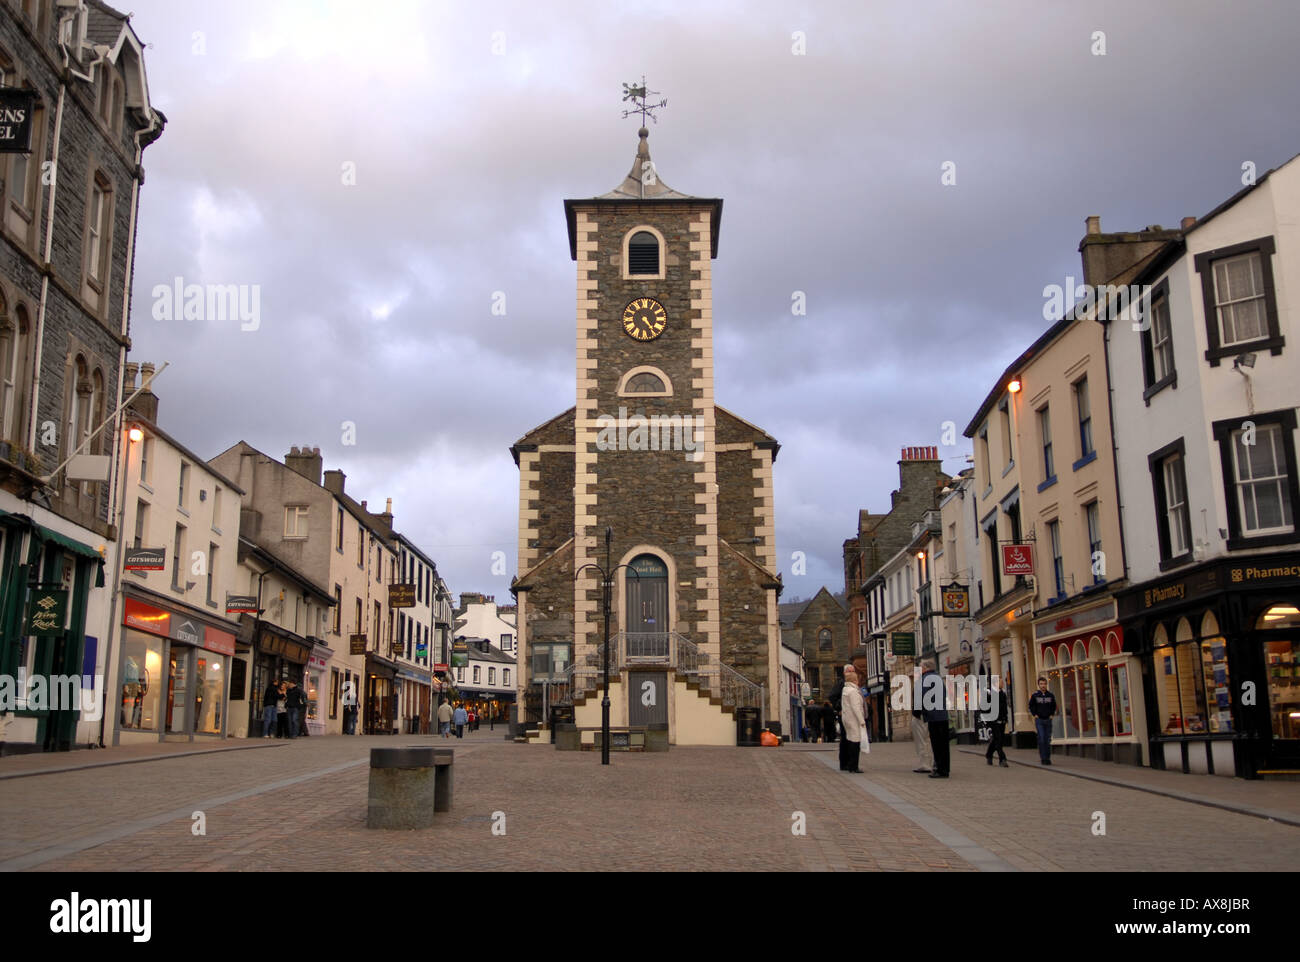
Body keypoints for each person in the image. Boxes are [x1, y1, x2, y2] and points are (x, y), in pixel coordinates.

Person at [921, 662, 950, 778]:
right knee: (944, 745)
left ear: (926, 668)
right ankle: (945, 769)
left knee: (936, 745)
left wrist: (924, 713)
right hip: (942, 715)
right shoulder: (938, 678)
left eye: (922, 667)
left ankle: (938, 769)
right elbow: (944, 694)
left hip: (933, 716)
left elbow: (922, 697)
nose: (921, 670)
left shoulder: (925, 679)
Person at [839, 666, 866, 773]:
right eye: (857, 679)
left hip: (846, 718)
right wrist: (861, 721)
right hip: (853, 719)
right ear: (854, 680)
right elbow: (856, 707)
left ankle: (850, 764)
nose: (858, 681)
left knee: (850, 740)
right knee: (855, 742)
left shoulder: (845, 690)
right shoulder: (853, 692)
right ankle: (854, 766)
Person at [1029, 676, 1058, 765]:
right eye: (1041, 684)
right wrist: (1035, 715)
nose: (1043, 686)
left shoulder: (1050, 695)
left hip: (1048, 719)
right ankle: (1043, 758)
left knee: (1047, 739)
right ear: (1038, 685)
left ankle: (1048, 758)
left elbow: (1054, 705)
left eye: (1044, 684)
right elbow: (1031, 706)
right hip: (1040, 720)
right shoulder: (1035, 696)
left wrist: (1052, 715)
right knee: (1041, 738)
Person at [984, 675, 1009, 767]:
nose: (1002, 684)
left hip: (1001, 720)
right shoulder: (989, 694)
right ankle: (1002, 759)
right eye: (1001, 682)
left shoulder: (1003, 694)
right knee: (998, 739)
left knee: (998, 739)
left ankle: (989, 754)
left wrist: (1005, 718)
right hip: (993, 720)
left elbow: (1004, 708)